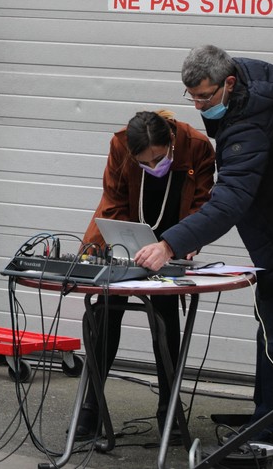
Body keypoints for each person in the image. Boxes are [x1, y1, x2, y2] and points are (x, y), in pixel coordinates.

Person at [135, 45, 273, 443]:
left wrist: (170, 244)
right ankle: (264, 413)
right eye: (192, 95)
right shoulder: (254, 83)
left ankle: (268, 431)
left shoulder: (248, 123)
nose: (199, 105)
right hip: (270, 228)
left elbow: (232, 197)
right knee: (267, 320)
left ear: (230, 83)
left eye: (205, 96)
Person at [76, 110, 215, 442]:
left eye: (158, 159)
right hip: (126, 237)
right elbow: (112, 200)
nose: (153, 167)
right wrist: (124, 243)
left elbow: (203, 203)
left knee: (165, 317)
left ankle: (169, 409)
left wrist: (185, 240)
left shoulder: (197, 147)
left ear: (171, 142)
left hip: (174, 238)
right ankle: (90, 409)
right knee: (106, 314)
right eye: (144, 163)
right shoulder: (120, 144)